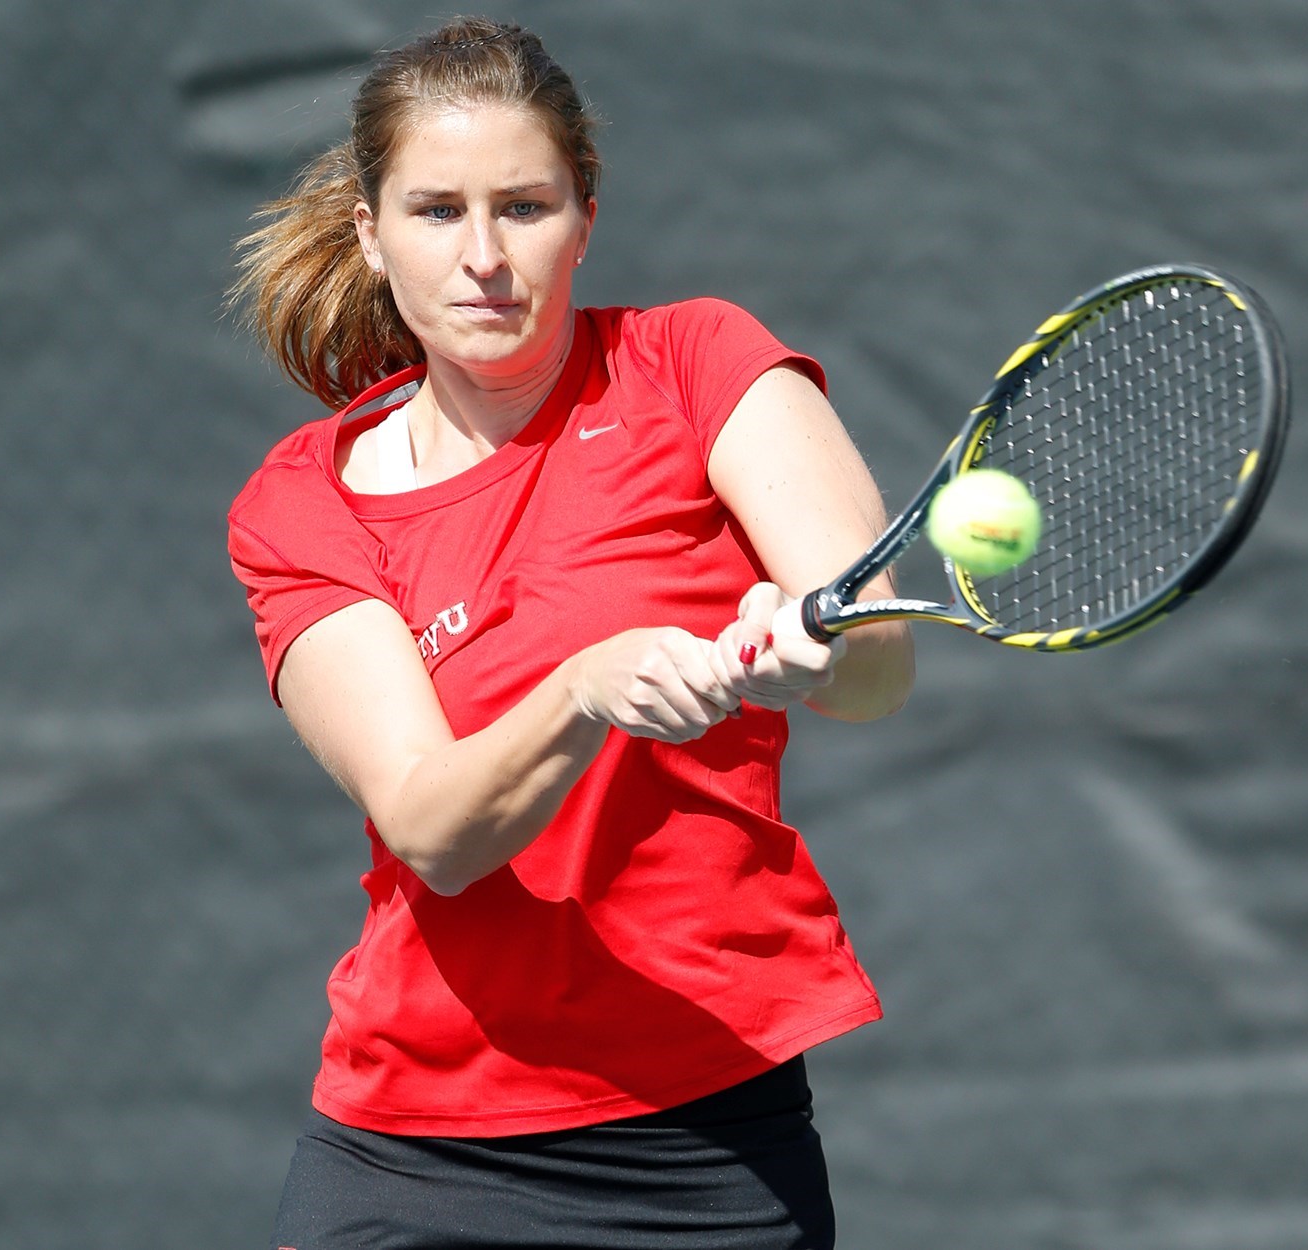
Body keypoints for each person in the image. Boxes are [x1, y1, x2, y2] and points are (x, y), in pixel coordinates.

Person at [226, 17, 914, 1249]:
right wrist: (582, 688)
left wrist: (823, 646)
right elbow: (434, 829)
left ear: (583, 218)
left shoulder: (702, 361)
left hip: (707, 1143)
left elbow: (873, 667)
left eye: (524, 206)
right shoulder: (302, 502)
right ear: (370, 235)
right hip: (412, 1147)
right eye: (436, 211)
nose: (484, 256)